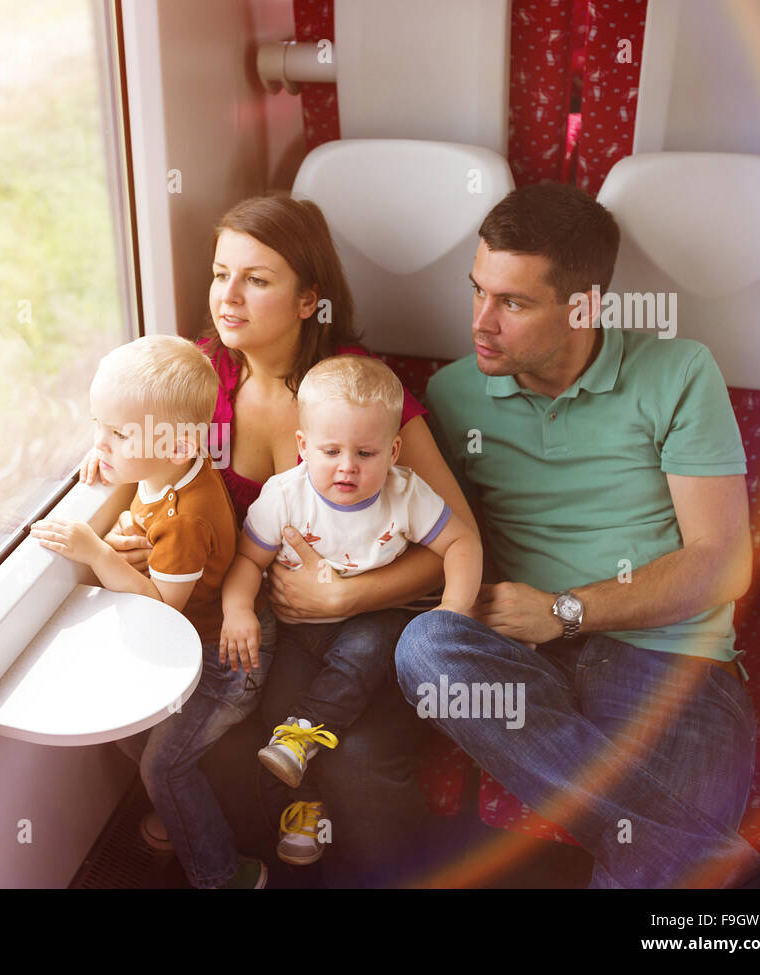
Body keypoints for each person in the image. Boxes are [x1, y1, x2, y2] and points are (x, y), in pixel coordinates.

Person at [395, 181, 760, 888]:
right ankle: (747, 884)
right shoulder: (453, 397)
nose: (482, 321)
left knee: (648, 881)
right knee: (426, 648)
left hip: (671, 661)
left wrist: (563, 611)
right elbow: (423, 535)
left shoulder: (677, 372)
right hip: (523, 655)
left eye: (513, 303)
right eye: (478, 291)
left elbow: (722, 563)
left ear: (584, 307)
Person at [82, 194, 476, 885]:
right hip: (255, 613)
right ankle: (250, 844)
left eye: (257, 279)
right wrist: (115, 511)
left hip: (367, 614)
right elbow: (136, 459)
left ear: (308, 300)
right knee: (202, 728)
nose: (227, 297)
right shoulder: (204, 378)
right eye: (219, 274)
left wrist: (345, 597)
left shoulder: (356, 396)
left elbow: (459, 537)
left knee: (343, 754)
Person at [220, 354, 482, 865]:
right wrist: (237, 609)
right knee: (275, 708)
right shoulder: (284, 496)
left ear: (394, 451)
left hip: (374, 618)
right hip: (301, 631)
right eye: (331, 450)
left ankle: (308, 732)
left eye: (366, 452)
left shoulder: (404, 494)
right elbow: (249, 561)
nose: (347, 466)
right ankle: (305, 805)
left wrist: (451, 613)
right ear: (302, 447)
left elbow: (462, 543)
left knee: (363, 652)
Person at [33, 334, 272, 888]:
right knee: (118, 720)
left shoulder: (187, 517)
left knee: (161, 765)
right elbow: (135, 457)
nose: (102, 442)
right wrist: (109, 452)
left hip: (223, 663)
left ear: (174, 443)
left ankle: (226, 874)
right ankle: (183, 809)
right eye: (100, 426)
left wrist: (94, 551)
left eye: (116, 434)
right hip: (188, 643)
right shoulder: (168, 462)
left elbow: (166, 608)